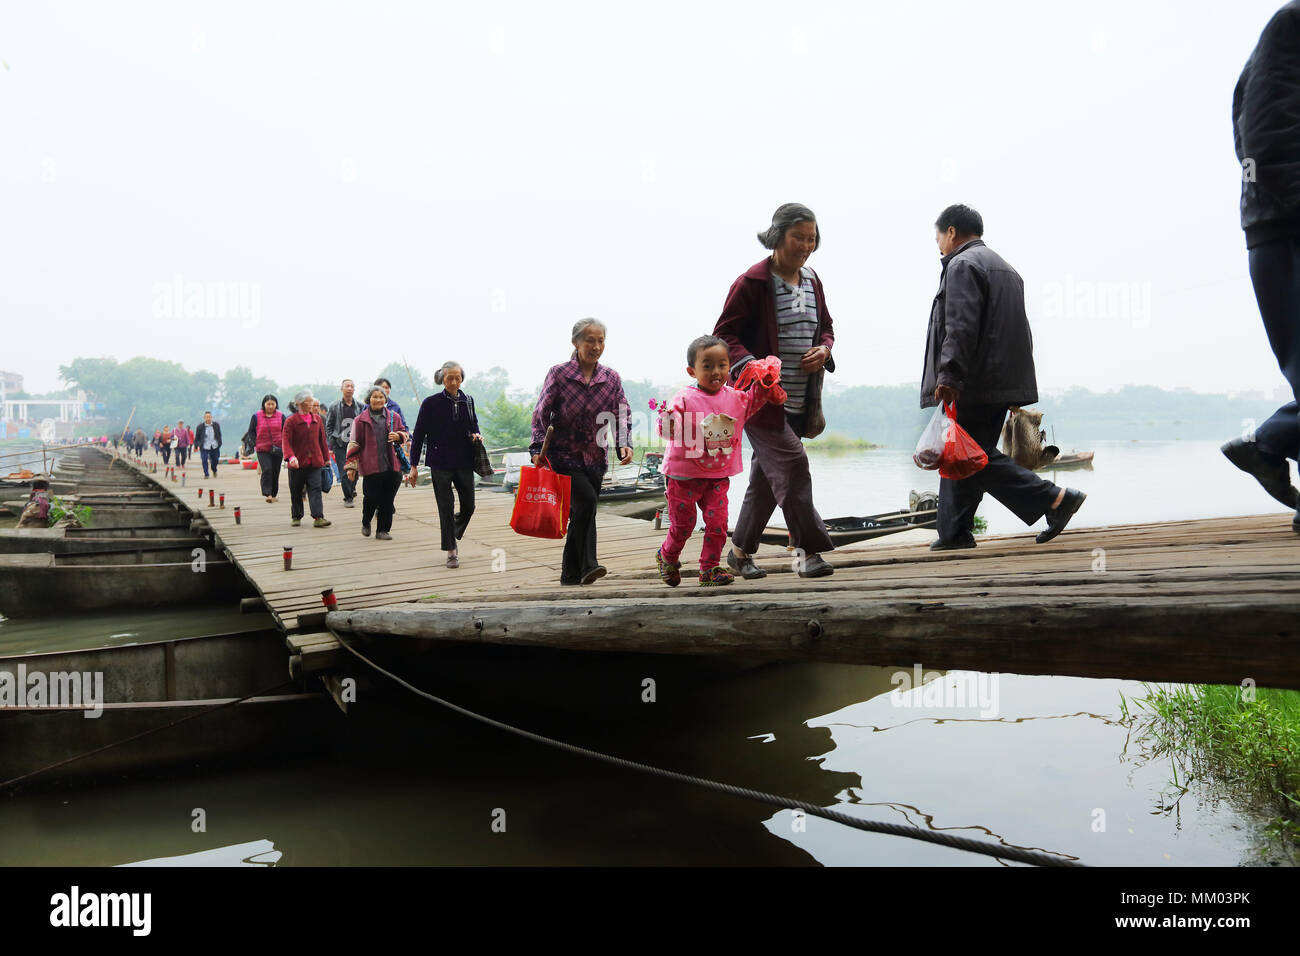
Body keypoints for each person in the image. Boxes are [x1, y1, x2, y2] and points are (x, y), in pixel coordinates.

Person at [921, 204, 1085, 550]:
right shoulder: (1006, 268)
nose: (937, 244)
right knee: (962, 453)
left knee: (970, 454)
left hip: (973, 381)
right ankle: (955, 533)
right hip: (997, 382)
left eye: (938, 236)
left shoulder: (962, 265)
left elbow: (960, 327)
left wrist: (949, 374)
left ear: (952, 232)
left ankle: (1055, 498)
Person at [713, 202, 836, 579]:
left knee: (766, 481)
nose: (805, 245)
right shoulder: (753, 281)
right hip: (760, 400)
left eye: (811, 238)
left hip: (801, 399)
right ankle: (808, 551)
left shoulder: (813, 280)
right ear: (777, 236)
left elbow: (827, 327)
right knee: (794, 465)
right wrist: (749, 363)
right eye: (798, 237)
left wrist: (825, 349)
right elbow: (725, 334)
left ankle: (739, 552)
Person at [1222, 0, 1300, 532]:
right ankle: (1267, 441)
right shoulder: (1293, 24)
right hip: (1285, 227)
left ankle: (1268, 442)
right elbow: (1266, 135)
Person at [655, 335, 781, 587]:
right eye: (707, 365)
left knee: (718, 523)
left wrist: (766, 380)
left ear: (729, 366)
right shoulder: (683, 398)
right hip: (683, 476)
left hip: (717, 475)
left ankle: (709, 569)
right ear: (692, 370)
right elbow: (667, 431)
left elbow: (756, 398)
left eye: (722, 365)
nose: (716, 371)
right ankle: (667, 556)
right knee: (683, 526)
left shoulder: (735, 398)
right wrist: (668, 419)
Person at [529, 318, 632, 585]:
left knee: (584, 513)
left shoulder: (611, 378)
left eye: (600, 341)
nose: (596, 346)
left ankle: (572, 575)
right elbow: (541, 413)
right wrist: (536, 446)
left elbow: (621, 412)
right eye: (590, 340)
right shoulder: (559, 373)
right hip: (563, 455)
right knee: (587, 504)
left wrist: (624, 443)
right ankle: (587, 565)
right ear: (575, 342)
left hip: (595, 457)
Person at [409, 362, 483, 568]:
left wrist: (477, 435)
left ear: (462, 378)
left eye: (457, 377)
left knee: (469, 506)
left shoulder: (468, 400)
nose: (453, 381)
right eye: (449, 377)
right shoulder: (430, 403)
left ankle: (452, 530)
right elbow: (418, 436)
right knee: (445, 507)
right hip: (439, 462)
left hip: (464, 461)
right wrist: (413, 465)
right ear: (441, 378)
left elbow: (473, 425)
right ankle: (451, 551)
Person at [345, 385, 409, 539]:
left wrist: (399, 436)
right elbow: (354, 443)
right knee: (371, 498)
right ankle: (366, 521)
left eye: (381, 397)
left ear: (385, 400)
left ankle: (382, 530)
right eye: (375, 397)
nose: (378, 400)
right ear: (369, 399)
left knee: (388, 500)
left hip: (392, 465)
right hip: (371, 466)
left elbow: (405, 433)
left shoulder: (394, 417)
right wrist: (351, 467)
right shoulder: (360, 420)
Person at [281, 390, 332, 528]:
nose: (311, 404)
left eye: (312, 401)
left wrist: (326, 458)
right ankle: (296, 516)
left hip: (315, 461)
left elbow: (322, 441)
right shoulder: (291, 421)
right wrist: (291, 457)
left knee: (315, 488)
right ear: (299, 403)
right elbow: (286, 441)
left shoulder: (318, 419)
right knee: (296, 490)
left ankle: (318, 517)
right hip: (297, 463)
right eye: (308, 402)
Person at [325, 379, 364, 509]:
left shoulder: (359, 406)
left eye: (352, 386)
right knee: (344, 470)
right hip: (340, 444)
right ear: (341, 389)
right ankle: (348, 497)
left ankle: (351, 489)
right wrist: (332, 441)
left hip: (356, 443)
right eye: (347, 386)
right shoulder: (334, 406)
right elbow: (329, 425)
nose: (349, 388)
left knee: (356, 470)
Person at [248, 394, 286, 502]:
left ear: (276, 405)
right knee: (267, 469)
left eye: (272, 404)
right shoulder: (256, 416)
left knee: (275, 471)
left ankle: (274, 494)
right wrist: (256, 441)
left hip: (278, 448)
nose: (270, 406)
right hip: (262, 448)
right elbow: (251, 431)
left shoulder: (281, 415)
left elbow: (285, 430)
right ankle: (267, 493)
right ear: (264, 404)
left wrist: (284, 443)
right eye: (268, 404)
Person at [194, 411, 222, 478]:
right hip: (204, 446)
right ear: (204, 418)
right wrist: (196, 446)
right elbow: (197, 437)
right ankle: (206, 474)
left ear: (211, 417)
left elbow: (219, 435)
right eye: (207, 417)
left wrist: (220, 443)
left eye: (209, 417)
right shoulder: (200, 427)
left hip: (214, 445)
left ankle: (214, 470)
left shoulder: (216, 425)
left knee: (215, 460)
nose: (208, 418)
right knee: (204, 460)